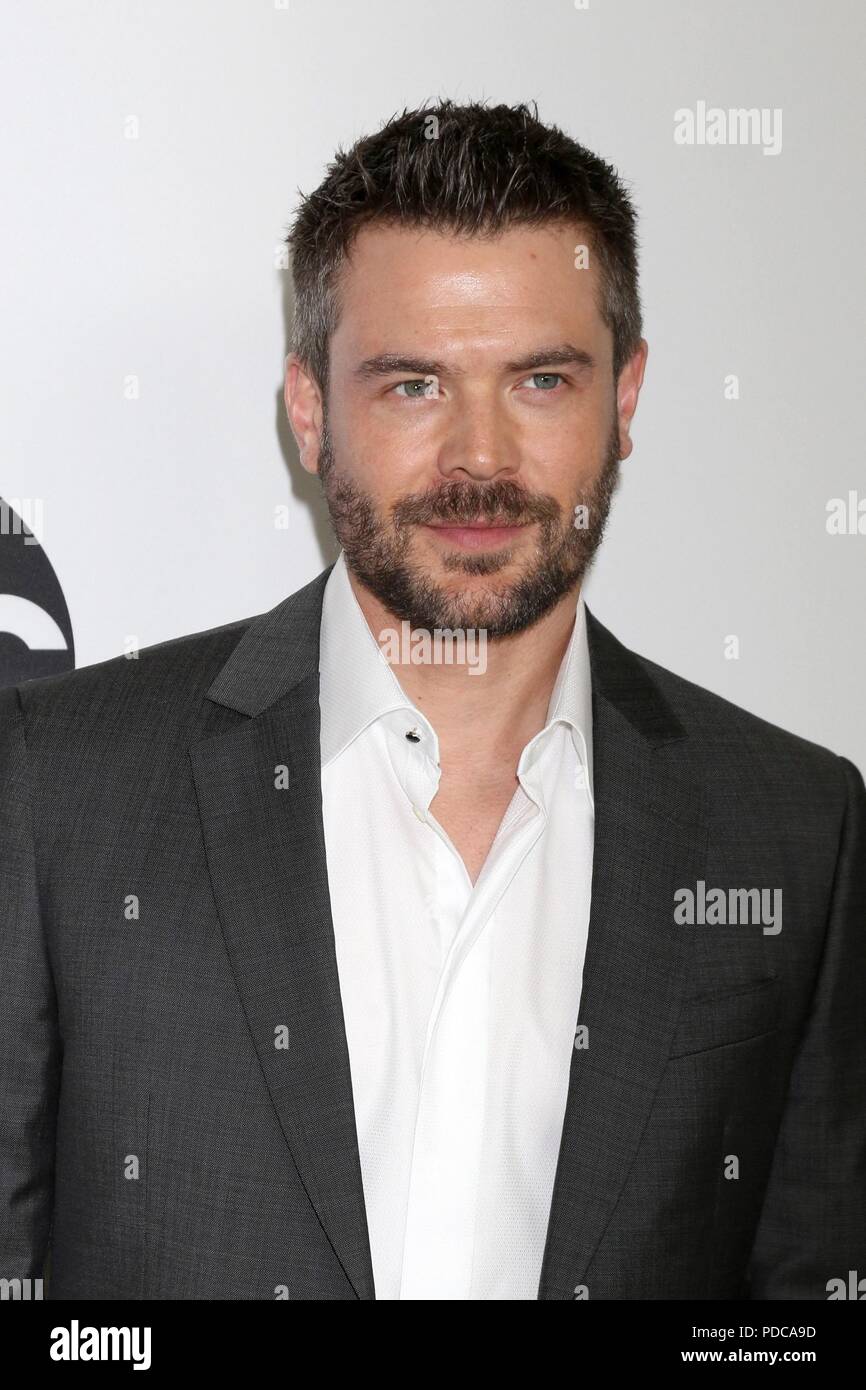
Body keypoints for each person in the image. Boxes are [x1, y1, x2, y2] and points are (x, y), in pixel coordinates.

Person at [1, 100, 863, 1301]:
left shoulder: (789, 824)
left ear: (624, 401)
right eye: (412, 385)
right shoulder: (60, 786)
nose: (478, 458)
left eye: (542, 380)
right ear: (309, 411)